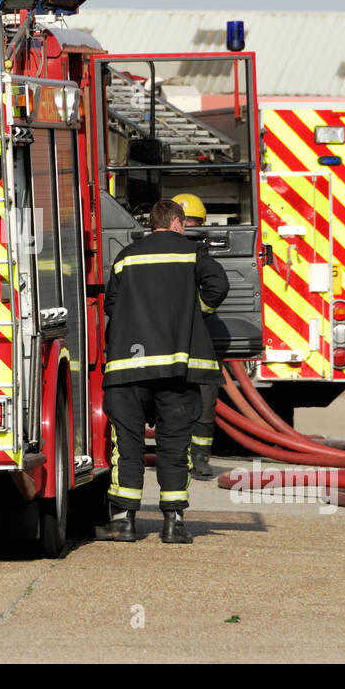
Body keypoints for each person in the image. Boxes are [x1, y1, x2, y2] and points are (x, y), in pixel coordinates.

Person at [99, 198, 230, 543]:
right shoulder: (191, 254)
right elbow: (219, 286)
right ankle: (174, 524)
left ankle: (124, 521)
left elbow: (112, 302)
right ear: (177, 223)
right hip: (176, 371)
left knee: (127, 445)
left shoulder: (127, 256)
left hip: (128, 369)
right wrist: (193, 311)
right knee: (174, 445)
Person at [173, 192, 225, 480]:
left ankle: (201, 458)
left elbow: (218, 286)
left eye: (192, 223)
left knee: (205, 401)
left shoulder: (200, 255)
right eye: (183, 222)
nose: (187, 229)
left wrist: (198, 311)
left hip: (196, 342)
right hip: (168, 339)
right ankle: (177, 456)